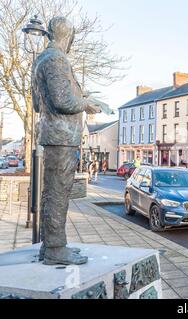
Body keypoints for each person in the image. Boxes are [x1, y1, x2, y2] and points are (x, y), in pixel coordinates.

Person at [32, 17, 104, 265]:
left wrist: (81, 97)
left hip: (53, 134)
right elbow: (63, 101)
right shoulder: (56, 59)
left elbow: (36, 103)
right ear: (70, 35)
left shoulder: (40, 60)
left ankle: (49, 245)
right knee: (59, 194)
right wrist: (86, 103)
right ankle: (54, 249)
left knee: (52, 193)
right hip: (61, 137)